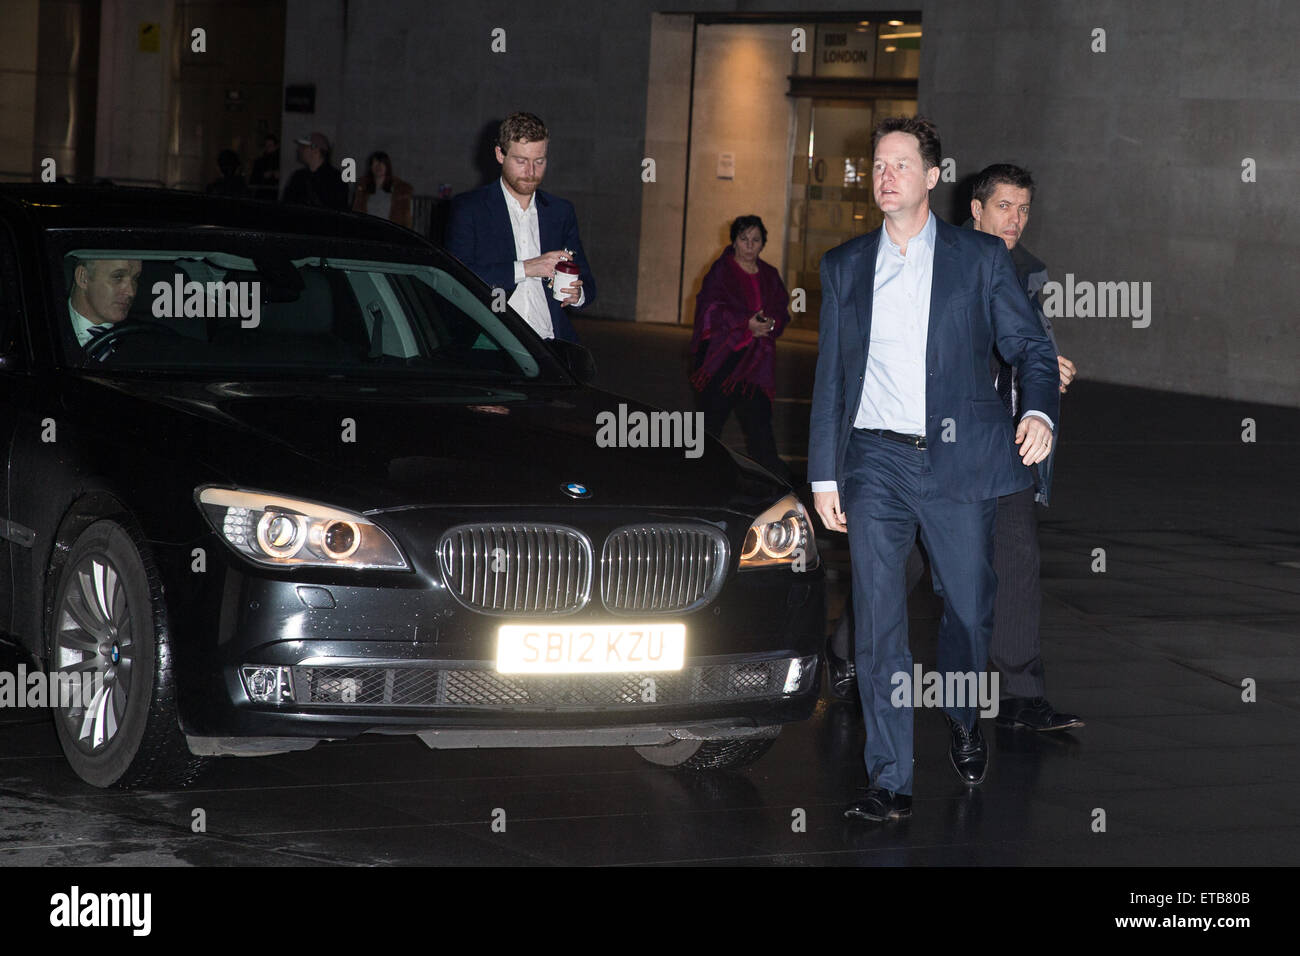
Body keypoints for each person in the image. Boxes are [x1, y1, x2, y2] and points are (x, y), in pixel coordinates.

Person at [808, 116, 1059, 822]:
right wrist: (825, 474)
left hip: (961, 462)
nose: (884, 175)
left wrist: (1037, 413)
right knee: (879, 620)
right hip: (876, 463)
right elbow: (832, 377)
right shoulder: (845, 265)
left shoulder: (979, 259)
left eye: (898, 164)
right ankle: (890, 781)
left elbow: (1031, 349)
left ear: (931, 178)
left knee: (970, 612)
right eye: (877, 165)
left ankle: (961, 712)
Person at [968, 163, 1082, 732]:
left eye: (1024, 209)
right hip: (947, 447)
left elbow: (1025, 345)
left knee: (1017, 560)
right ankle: (846, 654)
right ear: (976, 209)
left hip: (1007, 443)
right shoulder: (949, 264)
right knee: (909, 560)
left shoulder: (1025, 272)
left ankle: (1020, 693)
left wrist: (1041, 372)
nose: (1015, 220)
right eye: (1004, 207)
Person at [444, 112, 595, 342]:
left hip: (550, 342)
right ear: (499, 154)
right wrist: (526, 268)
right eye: (521, 161)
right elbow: (456, 278)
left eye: (539, 161)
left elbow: (587, 281)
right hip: (491, 341)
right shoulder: (469, 209)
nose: (531, 172)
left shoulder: (560, 212)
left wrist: (577, 293)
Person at [688, 215, 792, 483]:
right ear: (734, 241)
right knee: (708, 429)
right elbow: (710, 310)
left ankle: (773, 490)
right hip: (723, 363)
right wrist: (745, 325)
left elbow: (781, 310)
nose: (749, 245)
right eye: (743, 239)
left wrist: (770, 324)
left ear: (762, 244)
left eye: (755, 240)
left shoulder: (769, 275)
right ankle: (695, 481)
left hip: (756, 369)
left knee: (761, 435)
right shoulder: (721, 271)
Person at [68, 257, 142, 348]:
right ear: (83, 277)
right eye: (118, 277)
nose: (131, 292)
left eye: (135, 279)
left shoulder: (143, 341)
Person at [281, 131, 348, 211]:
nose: (299, 150)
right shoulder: (298, 176)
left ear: (316, 150)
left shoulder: (336, 179)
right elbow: (287, 204)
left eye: (304, 147)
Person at [353, 150, 414, 229]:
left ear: (387, 166)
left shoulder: (400, 190)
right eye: (375, 163)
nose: (378, 166)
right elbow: (357, 212)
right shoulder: (363, 188)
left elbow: (406, 218)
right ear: (370, 166)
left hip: (389, 233)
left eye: (382, 163)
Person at [249, 133, 281, 201]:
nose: (267, 148)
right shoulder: (259, 161)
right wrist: (262, 176)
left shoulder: (281, 161)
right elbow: (252, 180)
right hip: (261, 195)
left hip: (275, 196)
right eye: (266, 146)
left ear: (276, 146)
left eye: (270, 146)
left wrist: (279, 176)